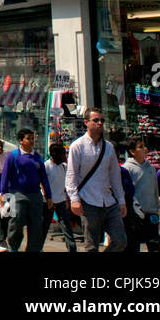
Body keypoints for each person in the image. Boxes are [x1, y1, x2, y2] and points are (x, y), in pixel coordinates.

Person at [64, 106, 127, 252]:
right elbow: (71, 175)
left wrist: (121, 201)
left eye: (102, 120)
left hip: (108, 200)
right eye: (96, 120)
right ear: (86, 122)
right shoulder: (77, 146)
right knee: (92, 245)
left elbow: (115, 176)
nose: (99, 123)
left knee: (120, 240)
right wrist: (74, 199)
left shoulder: (109, 147)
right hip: (88, 201)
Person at [1, 128, 51, 252]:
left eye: (33, 138)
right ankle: (13, 246)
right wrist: (3, 194)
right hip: (16, 193)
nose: (31, 141)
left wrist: (49, 196)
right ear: (21, 141)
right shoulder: (13, 156)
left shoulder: (37, 157)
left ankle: (33, 249)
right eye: (28, 138)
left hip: (35, 195)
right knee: (16, 221)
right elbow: (5, 175)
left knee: (36, 224)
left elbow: (43, 177)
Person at [122, 137, 160, 253]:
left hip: (151, 213)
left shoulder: (150, 168)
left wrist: (157, 212)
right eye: (140, 147)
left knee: (154, 244)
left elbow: (155, 190)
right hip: (135, 215)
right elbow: (126, 192)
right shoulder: (127, 168)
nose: (145, 149)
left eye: (144, 146)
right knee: (133, 245)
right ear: (132, 151)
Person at [45, 143, 77, 252]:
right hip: (48, 202)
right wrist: (48, 199)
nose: (65, 156)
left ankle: (72, 248)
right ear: (55, 154)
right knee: (43, 227)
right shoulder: (46, 166)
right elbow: (42, 184)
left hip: (61, 201)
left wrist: (67, 198)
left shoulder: (64, 167)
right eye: (63, 154)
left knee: (66, 227)